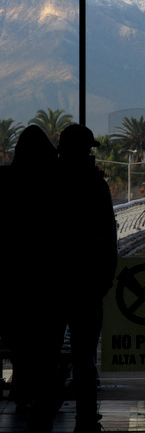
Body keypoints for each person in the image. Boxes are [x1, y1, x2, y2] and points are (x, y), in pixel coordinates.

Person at [0, 125, 65, 432]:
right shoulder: (57, 182)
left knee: (18, 338)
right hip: (50, 277)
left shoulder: (6, 181)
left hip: (13, 277)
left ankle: (22, 389)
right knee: (48, 339)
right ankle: (45, 392)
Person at [57, 124, 118, 433]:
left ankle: (44, 412)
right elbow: (108, 235)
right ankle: (86, 419)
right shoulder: (95, 184)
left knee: (48, 354)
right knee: (85, 358)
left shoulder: (48, 183)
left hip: (51, 283)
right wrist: (105, 278)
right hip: (88, 286)